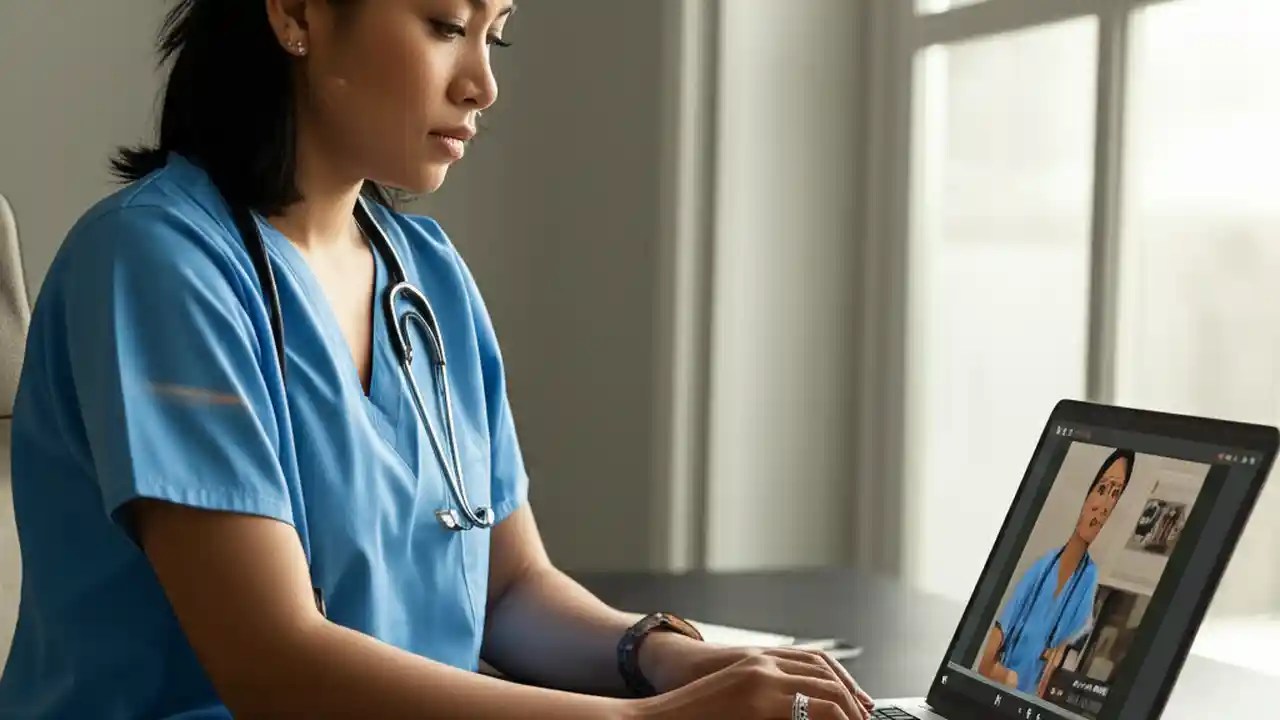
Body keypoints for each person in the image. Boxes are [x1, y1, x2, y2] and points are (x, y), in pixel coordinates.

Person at [0, 2, 875, 719]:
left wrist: (668, 661)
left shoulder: (429, 278)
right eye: (444, 25)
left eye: (495, 34)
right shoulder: (156, 264)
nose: (482, 83)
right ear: (297, 13)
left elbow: (510, 590)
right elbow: (273, 665)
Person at [977, 449, 1136, 698]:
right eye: (1103, 490)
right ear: (1087, 496)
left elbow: (1056, 667)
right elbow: (985, 663)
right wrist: (1008, 678)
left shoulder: (1089, 578)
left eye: (1115, 497)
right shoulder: (1040, 568)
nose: (1104, 507)